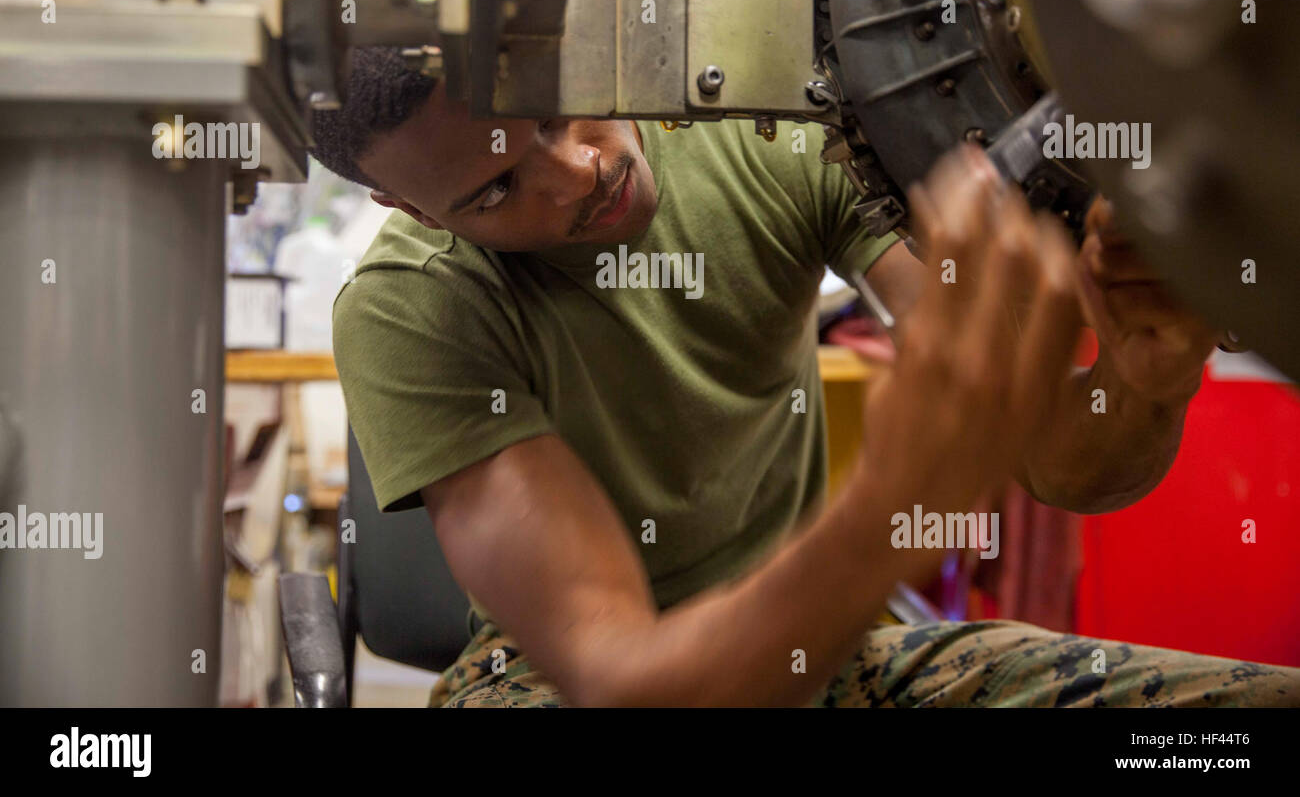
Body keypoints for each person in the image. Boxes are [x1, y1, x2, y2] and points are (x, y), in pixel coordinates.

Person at [314, 47, 1298, 706]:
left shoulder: (765, 132)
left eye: (552, 110)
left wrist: (1143, 379)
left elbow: (1061, 461)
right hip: (555, 684)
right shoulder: (408, 308)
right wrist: (892, 502)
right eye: (496, 189)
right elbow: (624, 679)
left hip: (819, 645)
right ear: (413, 207)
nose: (578, 171)